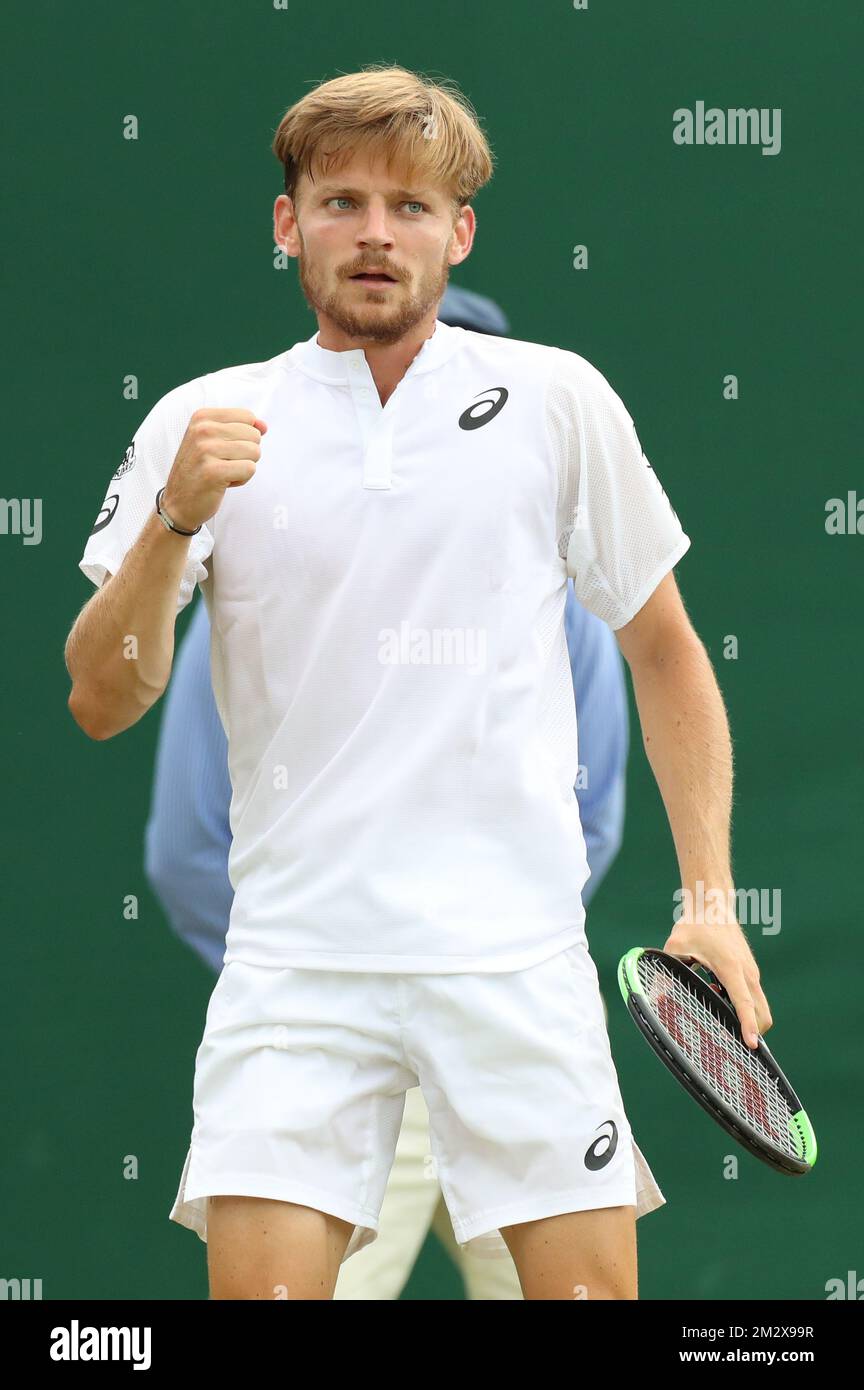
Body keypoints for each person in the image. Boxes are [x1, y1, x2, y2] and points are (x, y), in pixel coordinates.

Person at [65, 64, 773, 1301]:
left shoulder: (561, 402)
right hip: (295, 972)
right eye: (339, 202)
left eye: (410, 206)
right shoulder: (205, 417)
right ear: (288, 226)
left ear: (461, 231)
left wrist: (710, 897)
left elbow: (666, 651)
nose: (376, 233)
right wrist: (173, 522)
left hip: (515, 969)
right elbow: (100, 698)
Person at [143, 281, 631, 1302]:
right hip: (318, 1045)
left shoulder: (565, 590)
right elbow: (187, 847)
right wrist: (335, 972)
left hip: (504, 1027)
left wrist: (468, 962)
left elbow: (585, 816)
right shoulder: (256, 570)